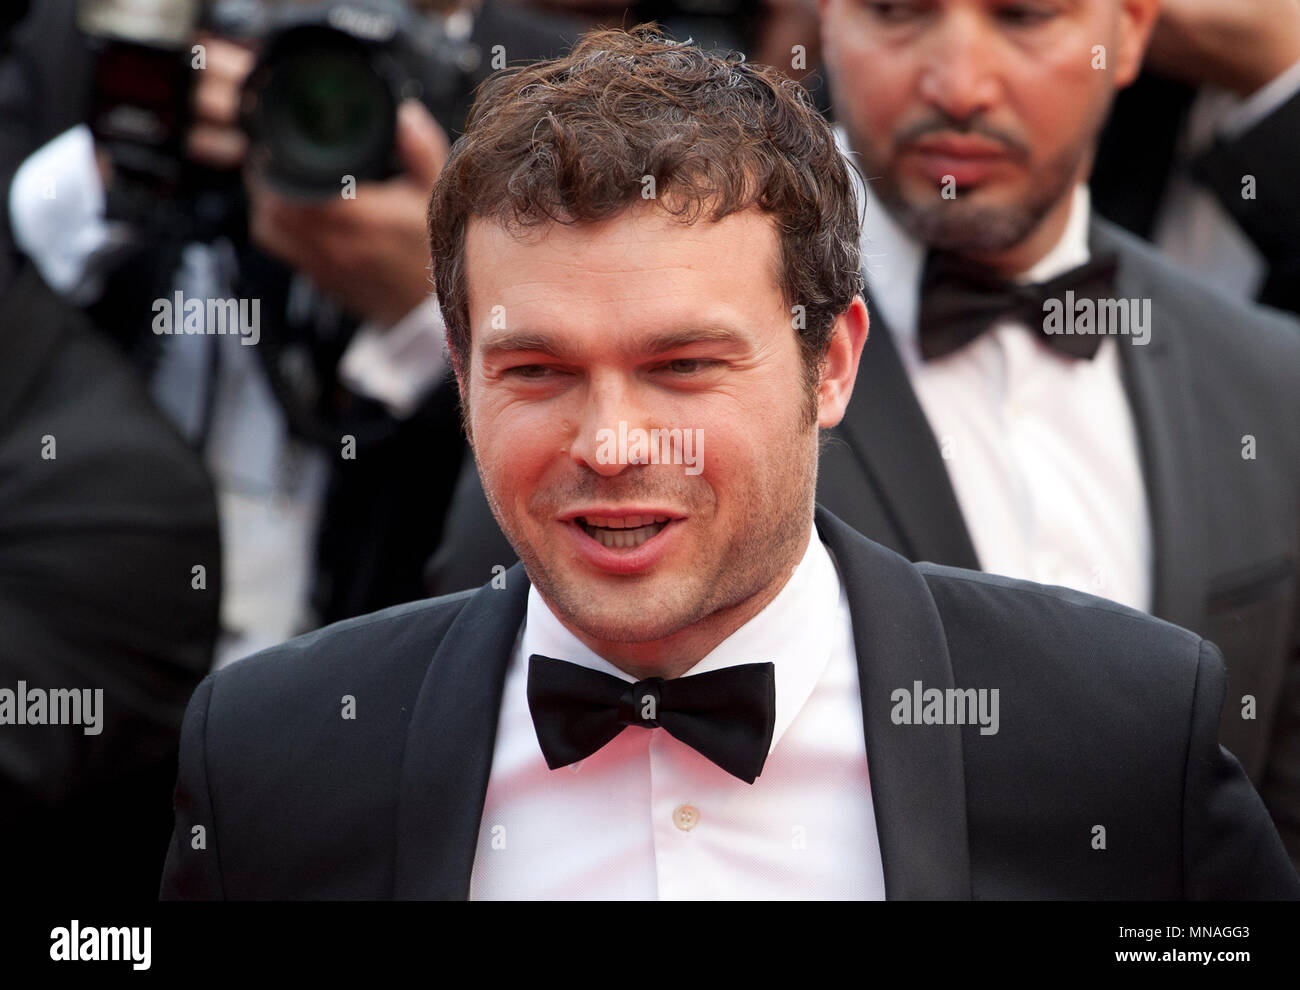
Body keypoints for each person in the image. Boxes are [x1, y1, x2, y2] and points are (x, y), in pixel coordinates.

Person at [161, 24, 1297, 900]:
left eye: (685, 366)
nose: (611, 445)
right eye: (538, 372)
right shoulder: (274, 764)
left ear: (831, 363)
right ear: (459, 376)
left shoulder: (1121, 734)